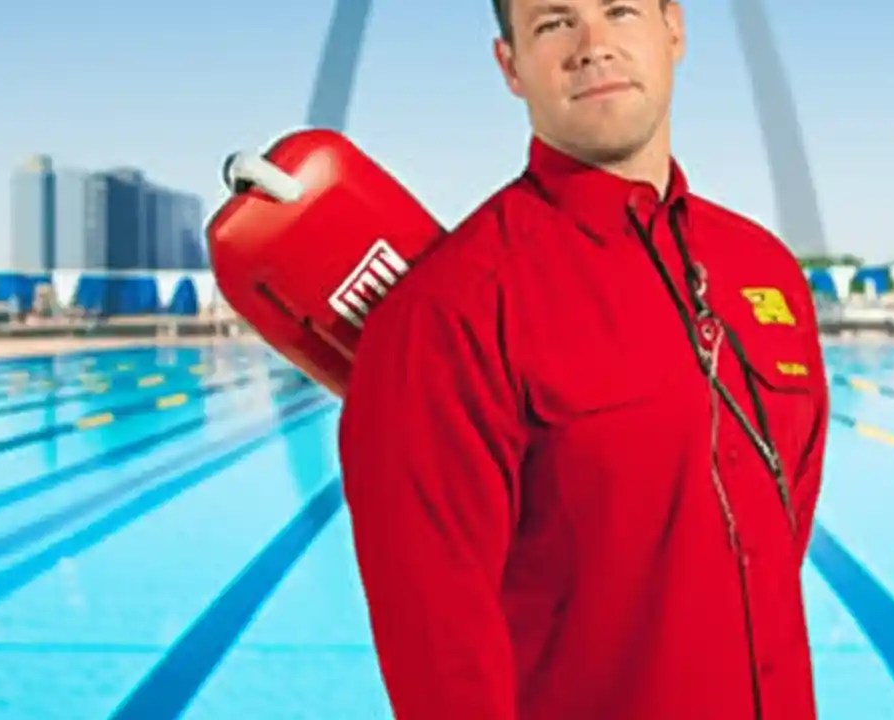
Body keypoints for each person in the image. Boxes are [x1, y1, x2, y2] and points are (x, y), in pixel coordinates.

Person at [337, 1, 829, 718]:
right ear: (511, 67)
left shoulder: (764, 269)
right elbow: (440, 660)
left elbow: (781, 542)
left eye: (620, 10)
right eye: (553, 22)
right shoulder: (449, 314)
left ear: (673, 29)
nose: (593, 46)